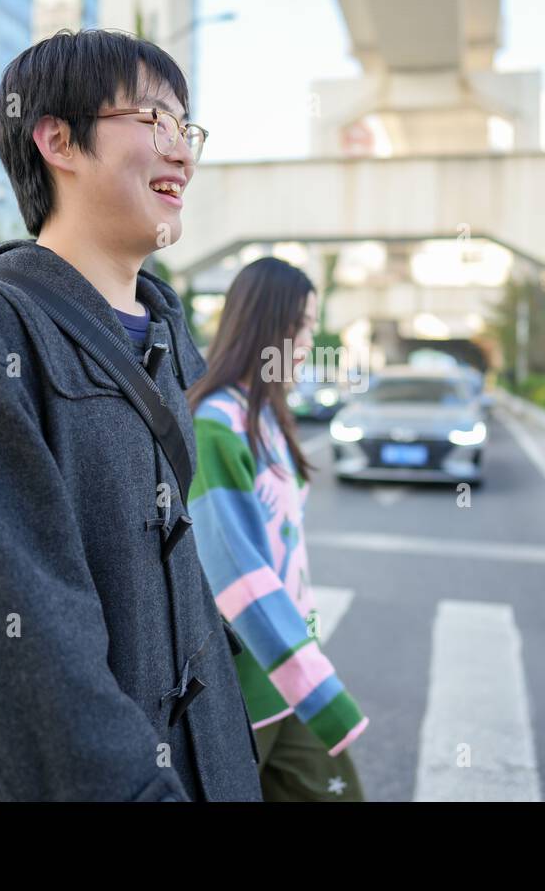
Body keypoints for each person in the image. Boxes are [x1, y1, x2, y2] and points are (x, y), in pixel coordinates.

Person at [0, 29, 262, 802]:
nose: (181, 151)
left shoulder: (169, 331)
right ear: (58, 139)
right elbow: (20, 651)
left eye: (188, 129)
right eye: (153, 121)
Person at [188, 257, 369, 801]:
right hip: (245, 683)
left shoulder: (263, 415)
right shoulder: (215, 425)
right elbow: (238, 575)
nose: (312, 340)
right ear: (272, 327)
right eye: (305, 325)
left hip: (285, 671)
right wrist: (319, 687)